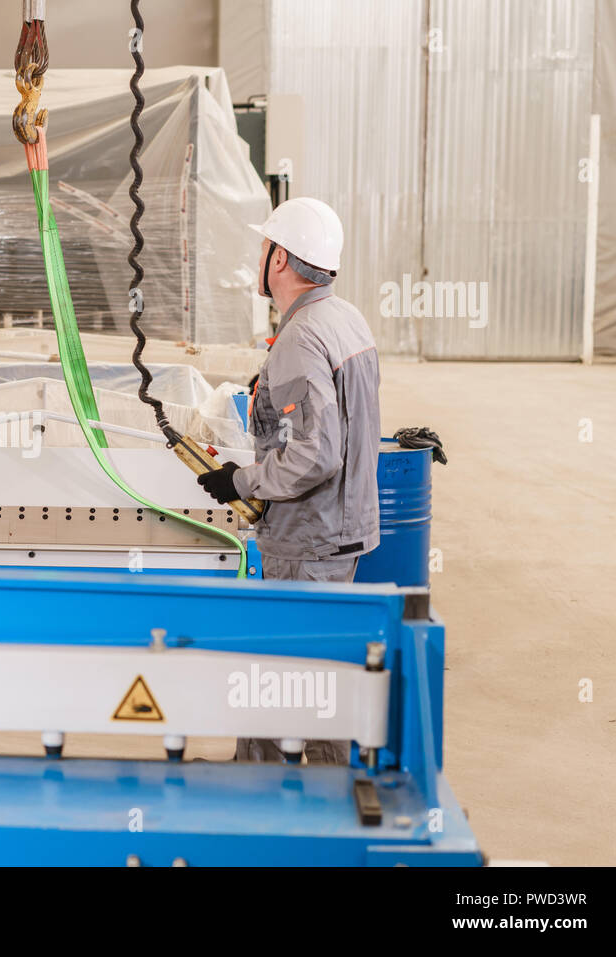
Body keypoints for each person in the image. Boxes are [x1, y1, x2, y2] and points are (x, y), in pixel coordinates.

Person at [197, 197, 380, 766]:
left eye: (263, 246)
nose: (259, 256)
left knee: (278, 679)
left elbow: (317, 453)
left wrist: (242, 481)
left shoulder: (301, 338)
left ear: (280, 259)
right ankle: (330, 804)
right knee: (319, 680)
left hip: (307, 541)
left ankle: (259, 805)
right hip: (340, 533)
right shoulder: (343, 318)